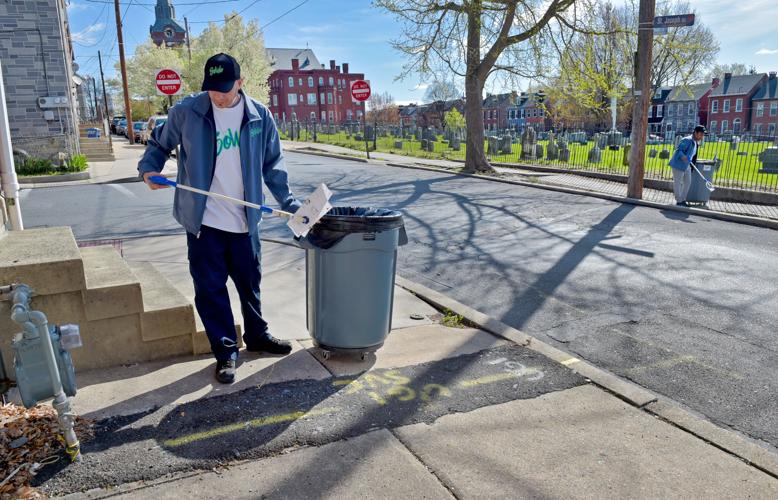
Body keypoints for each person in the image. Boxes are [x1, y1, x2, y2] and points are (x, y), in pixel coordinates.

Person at [138, 53, 301, 384]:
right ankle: (226, 352)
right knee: (210, 290)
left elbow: (273, 163)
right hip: (204, 222)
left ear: (240, 83)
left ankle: (257, 336)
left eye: (225, 88)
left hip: (245, 219)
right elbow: (158, 144)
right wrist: (148, 169)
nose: (218, 95)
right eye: (212, 88)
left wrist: (288, 200)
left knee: (249, 283)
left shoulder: (259, 116)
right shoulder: (187, 112)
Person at [668, 125, 706, 207]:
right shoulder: (687, 140)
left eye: (703, 135)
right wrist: (683, 156)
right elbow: (679, 150)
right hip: (678, 164)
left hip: (687, 165)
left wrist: (691, 166)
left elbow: (693, 155)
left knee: (688, 182)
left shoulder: (696, 142)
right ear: (695, 132)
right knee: (677, 183)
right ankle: (679, 201)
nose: (702, 136)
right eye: (700, 134)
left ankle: (683, 199)